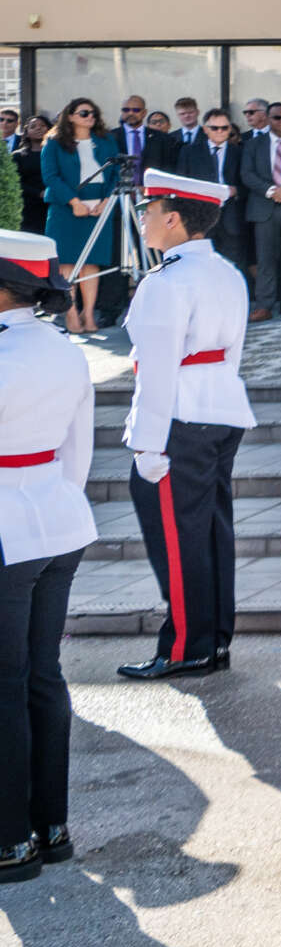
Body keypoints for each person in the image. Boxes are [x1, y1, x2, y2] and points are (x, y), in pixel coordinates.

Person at [114, 170, 253, 682]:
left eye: (150, 212)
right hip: (220, 409)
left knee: (178, 539)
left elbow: (155, 369)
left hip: (177, 419)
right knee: (212, 531)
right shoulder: (226, 272)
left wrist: (146, 443)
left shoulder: (165, 282)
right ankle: (212, 641)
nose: (145, 220)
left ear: (172, 219)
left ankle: (184, 649)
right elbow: (233, 353)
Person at [0, 231, 94, 883]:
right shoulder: (64, 349)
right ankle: (50, 826)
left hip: (7, 527)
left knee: (4, 685)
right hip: (58, 520)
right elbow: (78, 453)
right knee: (41, 676)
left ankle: (10, 840)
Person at [40, 99, 115, 333]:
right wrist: (74, 202)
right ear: (70, 116)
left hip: (99, 209)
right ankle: (71, 313)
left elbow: (116, 173)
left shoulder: (106, 141)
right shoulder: (53, 143)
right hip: (66, 210)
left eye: (93, 113)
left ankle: (89, 312)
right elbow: (50, 177)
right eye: (84, 113)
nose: (90, 117)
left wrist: (106, 201)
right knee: (67, 264)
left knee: (91, 262)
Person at [178, 107, 251, 270]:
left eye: (224, 128)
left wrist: (236, 190)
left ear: (230, 129)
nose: (220, 131)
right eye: (214, 128)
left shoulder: (240, 152)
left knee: (232, 265)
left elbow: (249, 183)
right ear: (205, 129)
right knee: (199, 264)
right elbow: (182, 184)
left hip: (232, 218)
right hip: (201, 217)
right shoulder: (189, 152)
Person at [110, 94, 175, 171]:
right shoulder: (109, 137)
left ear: (144, 113)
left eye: (136, 110)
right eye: (126, 110)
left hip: (152, 182)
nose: (130, 113)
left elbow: (168, 168)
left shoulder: (161, 138)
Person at [11, 116, 45, 234]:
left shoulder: (59, 153)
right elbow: (15, 182)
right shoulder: (18, 156)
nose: (38, 129)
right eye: (33, 126)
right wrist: (38, 193)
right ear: (27, 132)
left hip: (55, 203)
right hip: (29, 207)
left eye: (42, 126)